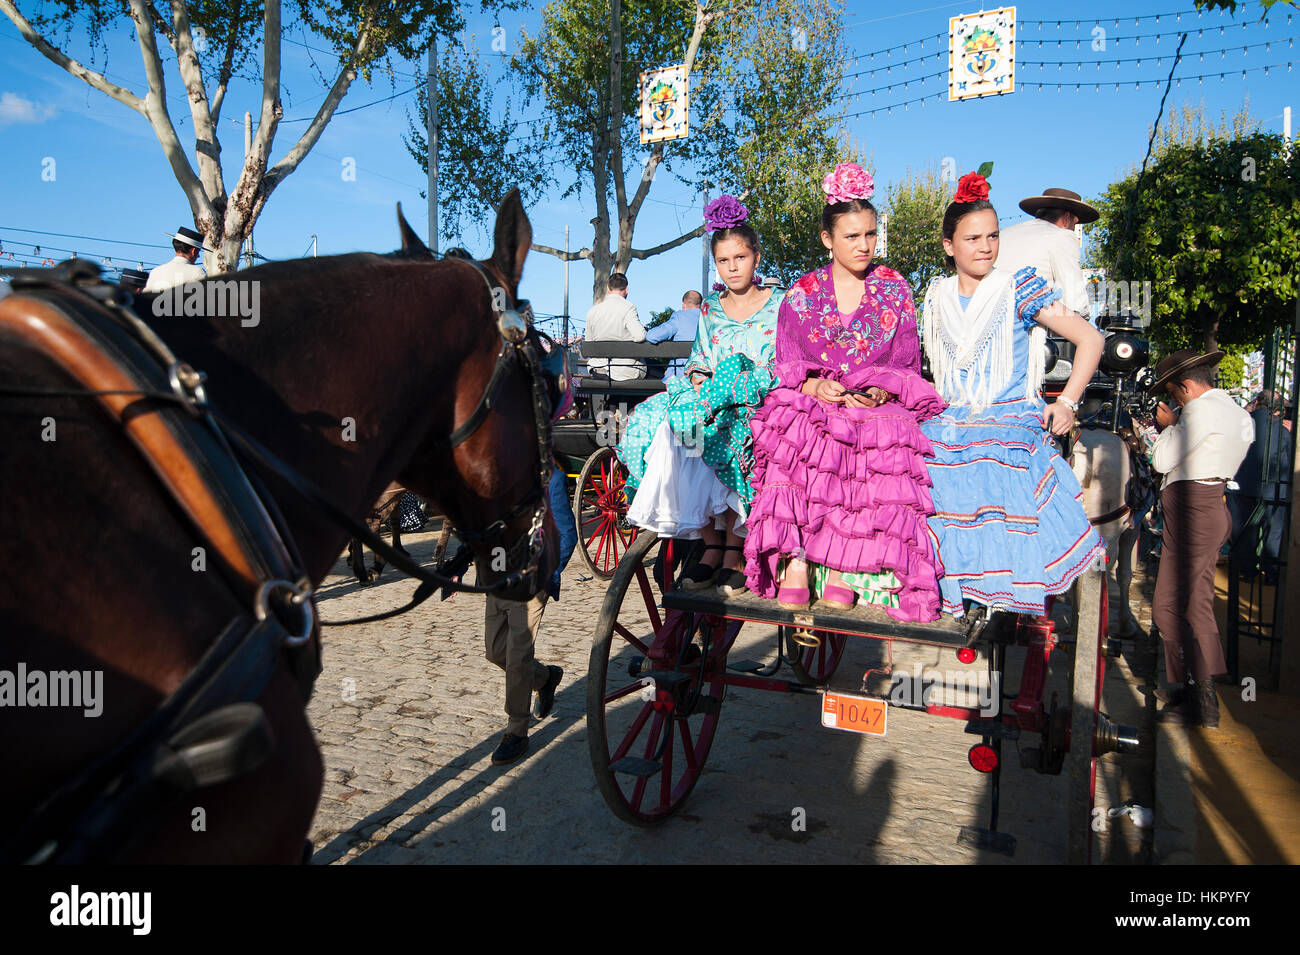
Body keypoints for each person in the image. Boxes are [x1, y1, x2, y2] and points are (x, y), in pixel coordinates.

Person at [743, 164, 947, 620]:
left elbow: (905, 364)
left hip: (874, 406)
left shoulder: (895, 289)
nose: (864, 246)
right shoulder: (802, 293)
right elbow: (788, 362)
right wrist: (815, 384)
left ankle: (842, 565)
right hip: (818, 398)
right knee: (798, 426)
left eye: (870, 235)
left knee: (875, 436)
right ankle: (797, 558)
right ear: (827, 239)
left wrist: (879, 392)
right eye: (852, 236)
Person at [919, 170, 1105, 619]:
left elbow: (1091, 339)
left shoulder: (1020, 285)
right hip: (951, 413)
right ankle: (933, 584)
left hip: (1007, 414)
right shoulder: (935, 294)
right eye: (972, 238)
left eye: (993, 235)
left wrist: (1068, 402)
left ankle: (995, 590)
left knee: (990, 458)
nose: (985, 246)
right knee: (910, 458)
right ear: (949, 246)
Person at [617, 196, 781, 596]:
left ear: (756, 256)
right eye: (724, 261)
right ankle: (710, 540)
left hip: (759, 394)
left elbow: (786, 360)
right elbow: (699, 357)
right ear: (716, 263)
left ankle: (736, 548)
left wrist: (743, 384)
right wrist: (698, 380)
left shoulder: (779, 303)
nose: (732, 267)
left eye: (740, 257)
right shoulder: (710, 307)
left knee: (733, 430)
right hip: (713, 392)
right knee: (679, 429)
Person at [1135, 350, 1253, 728]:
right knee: (1185, 601)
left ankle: (1202, 702)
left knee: (1178, 604)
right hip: (1210, 506)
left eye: (1174, 395)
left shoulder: (1197, 412)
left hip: (1193, 512)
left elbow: (1161, 461)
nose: (1173, 402)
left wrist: (1170, 424)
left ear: (1186, 387)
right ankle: (1191, 690)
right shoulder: (1237, 412)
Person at [484, 462, 577, 765]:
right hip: (498, 578)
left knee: (516, 657)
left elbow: (566, 532)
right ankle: (546, 678)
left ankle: (516, 731)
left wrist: (548, 572)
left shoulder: (551, 477)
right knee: (495, 652)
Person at [995, 187, 1095, 319]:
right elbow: (1075, 302)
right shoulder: (1062, 235)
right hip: (1025, 328)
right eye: (1074, 225)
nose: (1073, 230)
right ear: (1066, 218)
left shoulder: (1004, 233)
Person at [1227, 389, 1291, 581]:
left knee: (1244, 530)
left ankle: (1245, 570)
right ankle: (1271, 572)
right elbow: (1286, 463)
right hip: (1272, 490)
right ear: (1278, 411)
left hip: (1240, 486)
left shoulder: (1238, 425)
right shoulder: (1282, 432)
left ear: (1257, 403)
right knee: (1273, 532)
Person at [584, 273, 647, 380]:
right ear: (626, 289)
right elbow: (640, 336)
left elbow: (589, 343)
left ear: (608, 288)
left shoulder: (592, 311)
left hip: (598, 368)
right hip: (624, 370)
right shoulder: (628, 307)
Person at [646, 290, 703, 377]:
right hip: (704, 374)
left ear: (683, 304)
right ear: (700, 304)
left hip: (680, 375)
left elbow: (651, 336)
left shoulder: (679, 317)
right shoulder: (709, 319)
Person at [144, 226, 211, 292]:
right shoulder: (197, 272)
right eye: (198, 252)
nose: (198, 256)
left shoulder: (155, 272)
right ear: (193, 251)